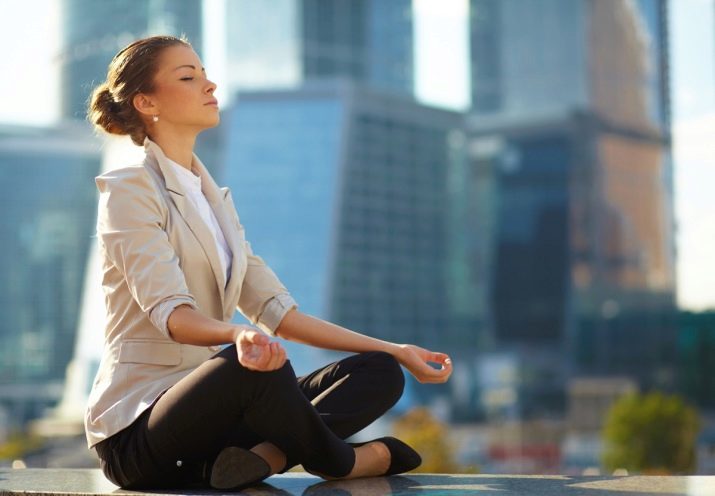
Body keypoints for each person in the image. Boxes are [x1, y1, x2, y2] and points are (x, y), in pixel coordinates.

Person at [84, 34, 453, 491]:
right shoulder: (129, 188)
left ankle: (270, 455)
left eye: (204, 73)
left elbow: (281, 314)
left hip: (216, 435)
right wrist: (238, 334)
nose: (210, 85)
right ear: (145, 101)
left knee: (377, 369)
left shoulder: (213, 199)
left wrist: (397, 349)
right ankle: (340, 462)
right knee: (257, 366)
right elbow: (173, 316)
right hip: (139, 432)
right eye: (188, 76)